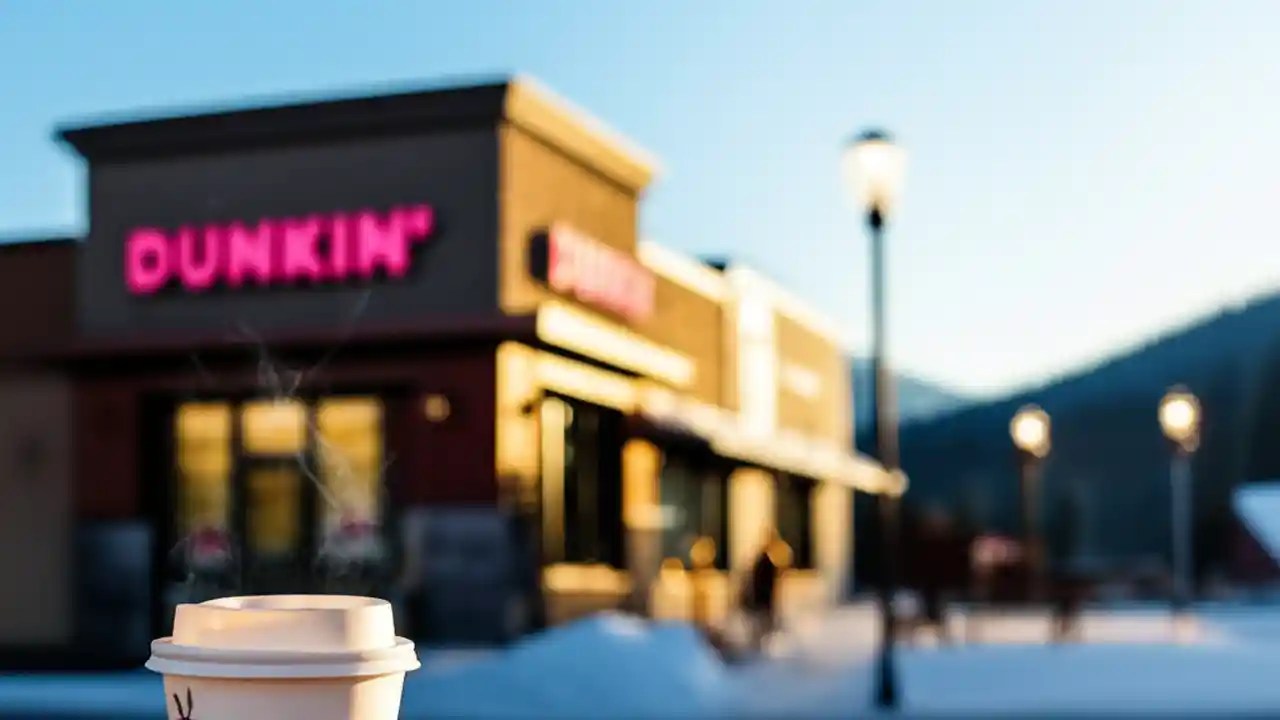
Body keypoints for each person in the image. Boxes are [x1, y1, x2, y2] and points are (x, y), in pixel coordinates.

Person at [742, 529, 790, 654]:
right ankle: (758, 650)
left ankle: (758, 649)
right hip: (762, 601)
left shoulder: (763, 561)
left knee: (762, 629)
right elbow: (761, 584)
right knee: (762, 628)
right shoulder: (765, 562)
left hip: (761, 601)